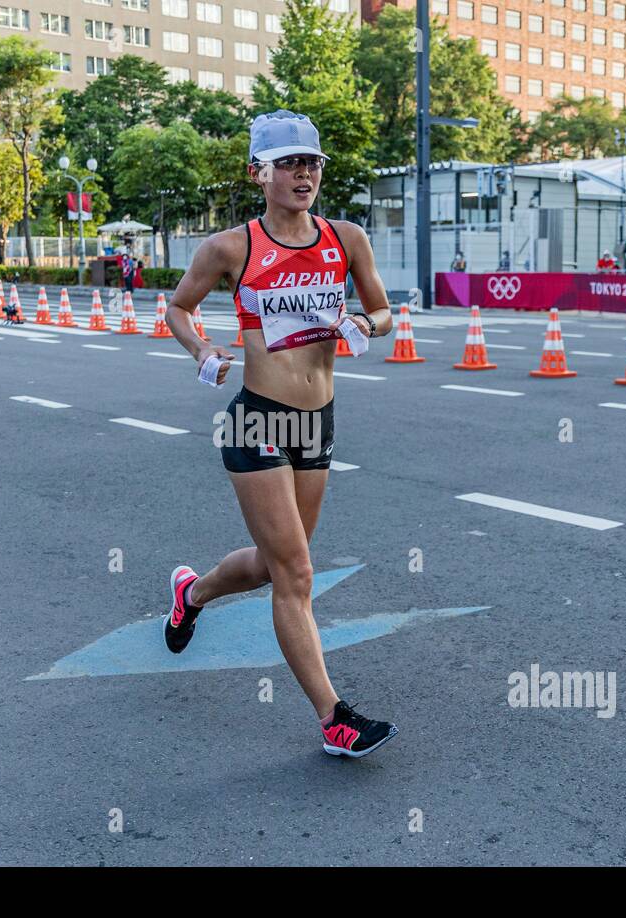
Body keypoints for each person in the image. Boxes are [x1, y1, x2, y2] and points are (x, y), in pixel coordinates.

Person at [162, 110, 399, 759]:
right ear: (257, 173)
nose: (304, 173)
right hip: (257, 419)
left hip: (316, 422)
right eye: (290, 162)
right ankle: (335, 719)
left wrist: (364, 327)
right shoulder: (230, 248)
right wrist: (202, 351)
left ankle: (194, 593)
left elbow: (383, 312)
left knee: (273, 567)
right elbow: (178, 307)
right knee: (297, 573)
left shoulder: (345, 238)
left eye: (312, 162)